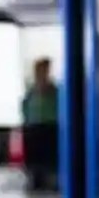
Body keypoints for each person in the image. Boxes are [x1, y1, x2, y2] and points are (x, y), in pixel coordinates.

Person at [21, 57, 59, 190]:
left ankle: (49, 179)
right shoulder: (31, 90)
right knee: (34, 156)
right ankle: (36, 179)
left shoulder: (53, 89)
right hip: (34, 126)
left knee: (48, 156)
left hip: (50, 125)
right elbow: (25, 106)